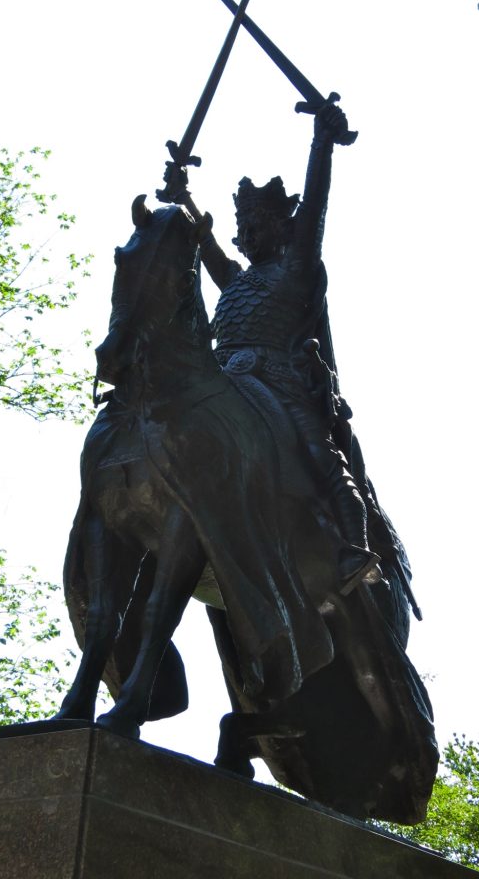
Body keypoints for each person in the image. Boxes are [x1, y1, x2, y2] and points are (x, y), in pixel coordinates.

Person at [166, 102, 381, 593]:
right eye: (244, 221)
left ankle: (354, 548)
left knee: (320, 453)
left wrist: (321, 143)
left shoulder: (296, 269)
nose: (248, 229)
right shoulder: (238, 282)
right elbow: (207, 245)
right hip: (224, 378)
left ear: (282, 226)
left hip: (280, 380)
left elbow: (317, 207)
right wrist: (183, 197)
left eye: (258, 220)